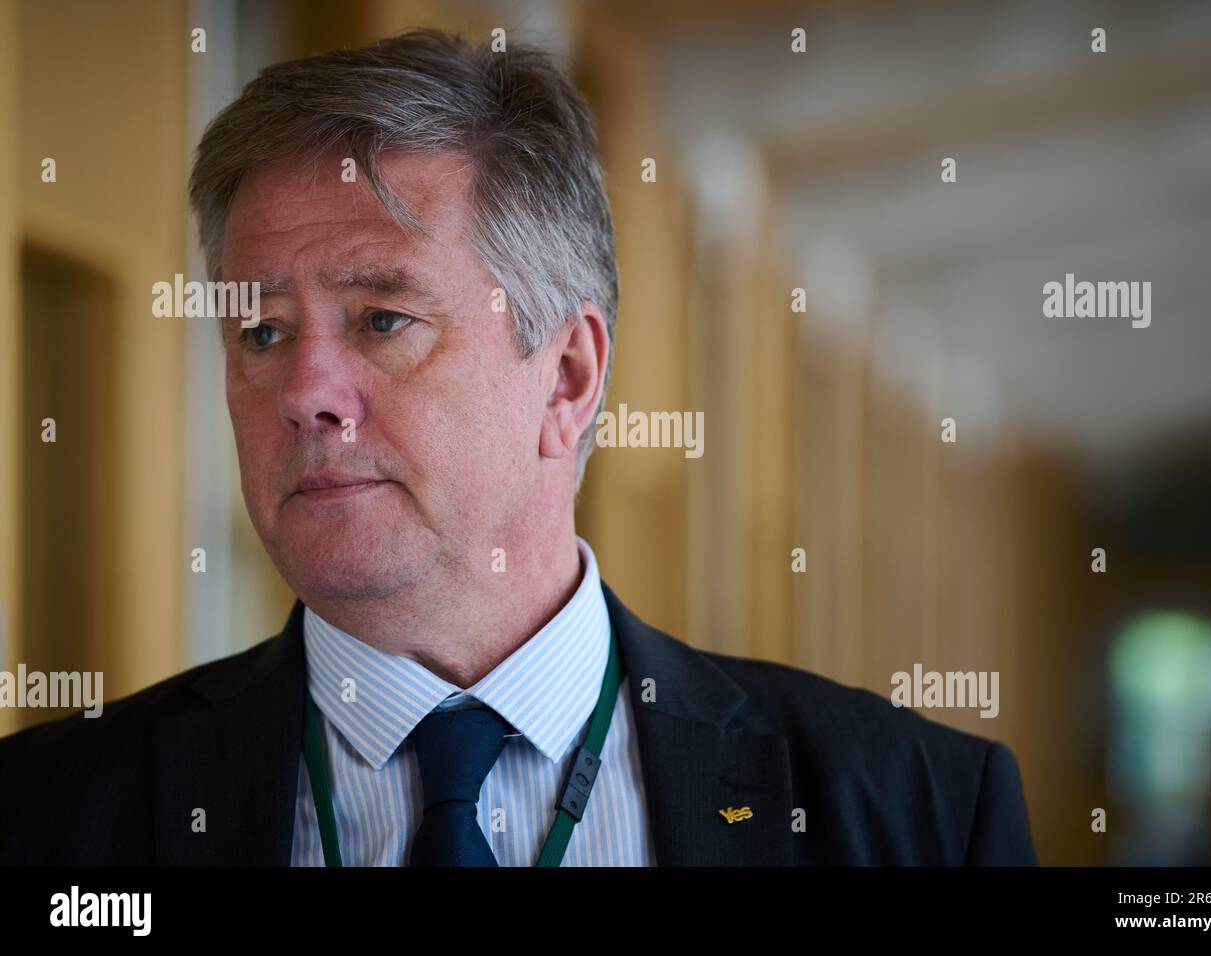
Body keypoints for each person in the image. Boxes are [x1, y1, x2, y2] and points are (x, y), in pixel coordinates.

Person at [0, 28, 1035, 866]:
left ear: (568, 376)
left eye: (383, 320)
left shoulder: (920, 813)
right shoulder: (42, 816)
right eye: (261, 333)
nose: (305, 393)